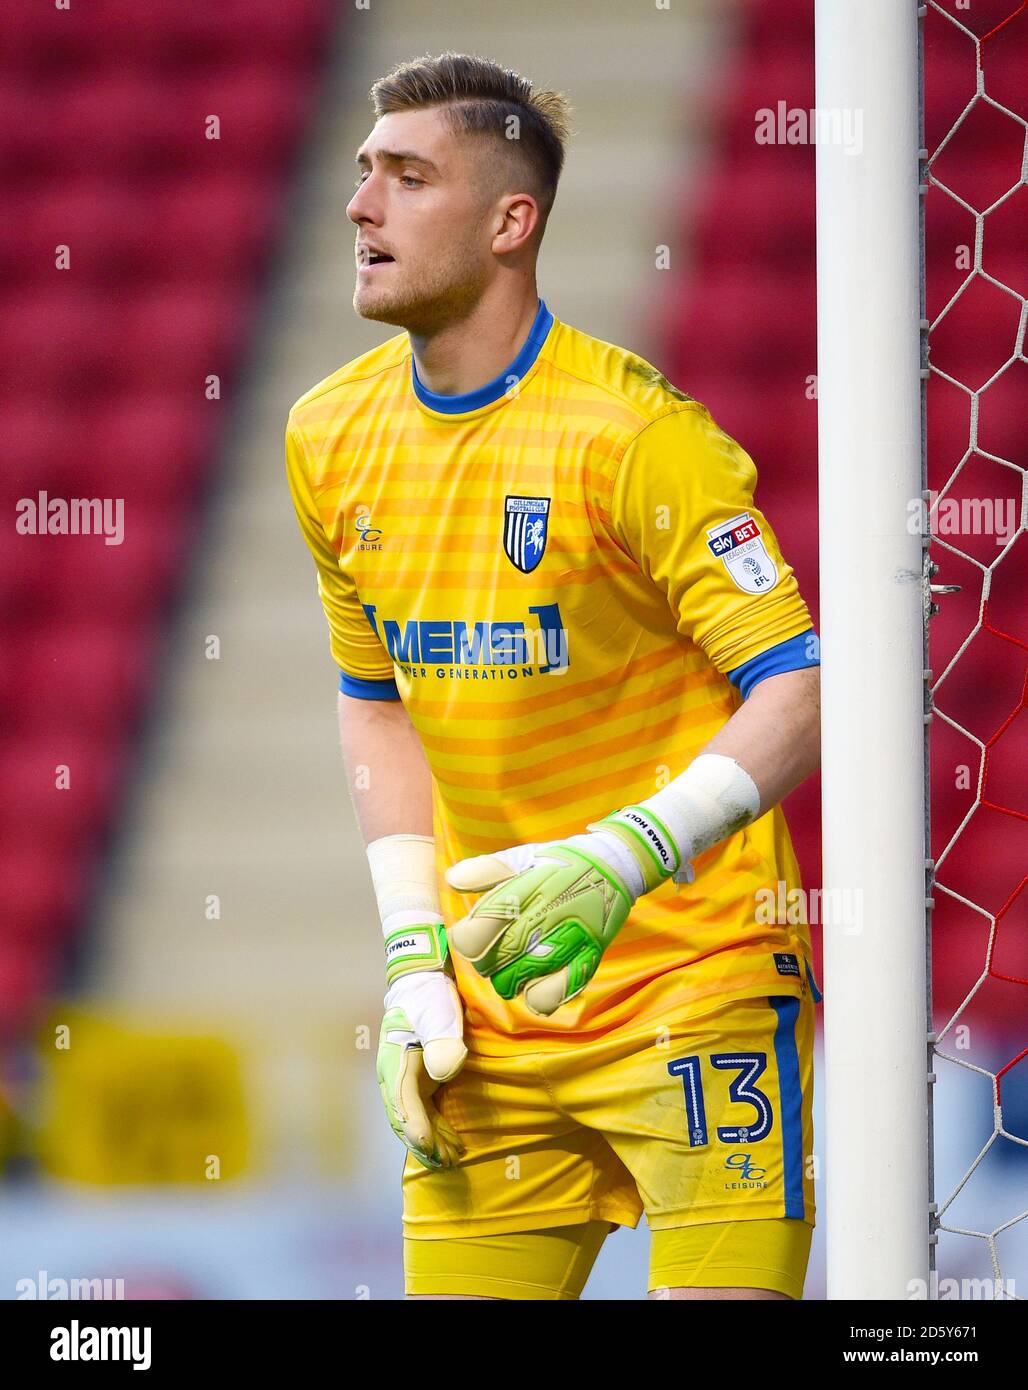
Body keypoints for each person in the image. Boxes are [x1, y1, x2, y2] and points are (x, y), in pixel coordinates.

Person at [285, 52, 822, 1301]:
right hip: (493, 1001)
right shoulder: (324, 433)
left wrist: (625, 853)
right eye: (364, 173)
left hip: (691, 977)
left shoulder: (636, 437)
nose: (359, 206)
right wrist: (415, 953)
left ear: (509, 221)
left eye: (406, 178)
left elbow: (795, 684)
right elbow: (376, 703)